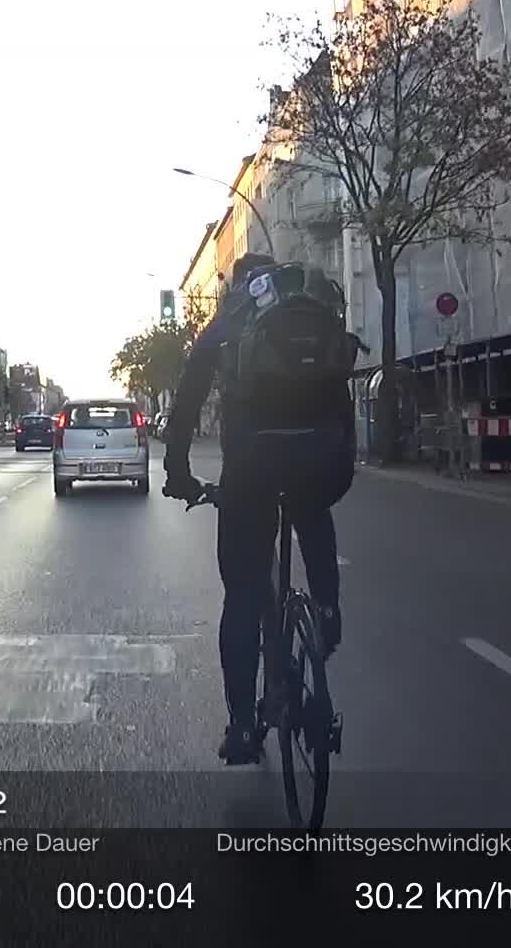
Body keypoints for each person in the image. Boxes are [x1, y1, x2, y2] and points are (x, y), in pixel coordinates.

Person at [162, 253, 357, 765]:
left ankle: (244, 728)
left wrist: (177, 472)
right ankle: (328, 613)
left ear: (237, 282)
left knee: (244, 596)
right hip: (323, 456)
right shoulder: (315, 305)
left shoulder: (231, 317)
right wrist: (342, 462)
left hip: (251, 469)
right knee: (312, 507)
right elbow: (342, 386)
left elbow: (187, 396)